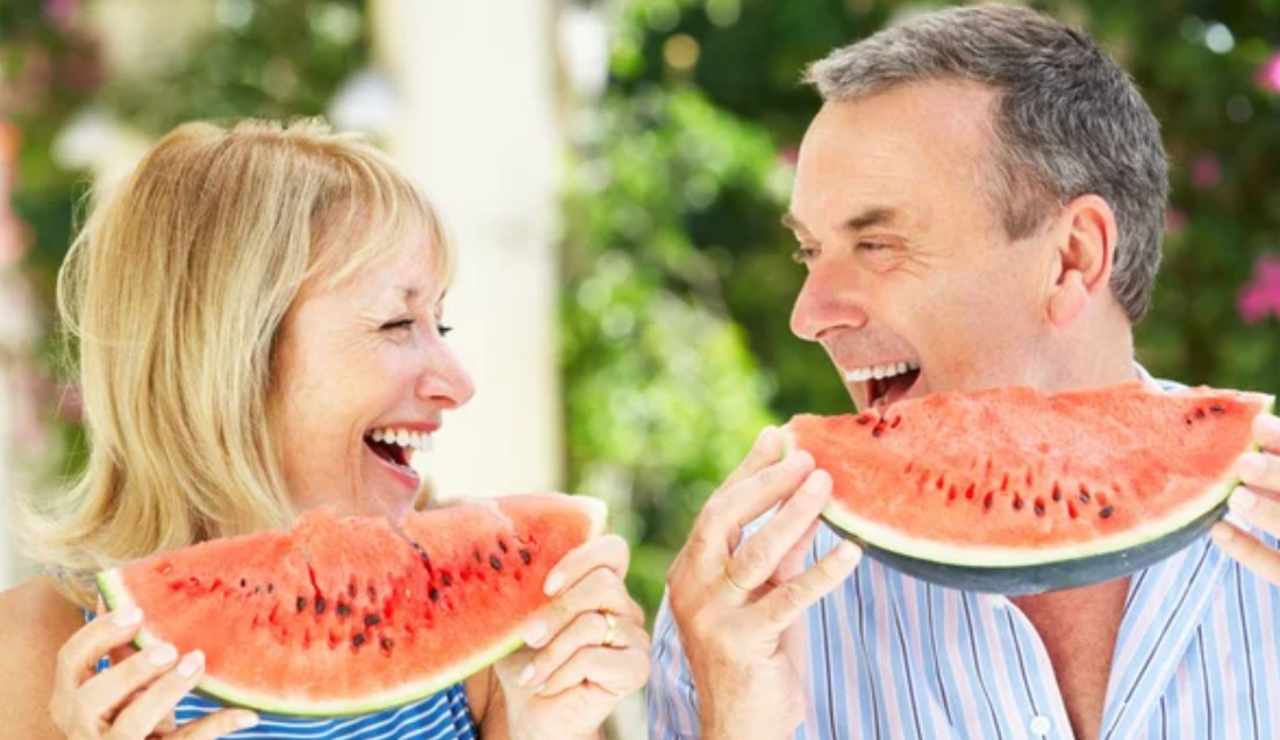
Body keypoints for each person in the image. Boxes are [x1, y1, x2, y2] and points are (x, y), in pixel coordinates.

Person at [649, 5, 1280, 739]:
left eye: (877, 245)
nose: (809, 315)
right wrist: (734, 721)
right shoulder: (740, 607)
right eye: (810, 252)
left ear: (1072, 257)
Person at [0, 119, 650, 739]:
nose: (458, 383)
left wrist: (550, 728)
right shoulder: (36, 650)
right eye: (398, 324)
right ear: (232, 357)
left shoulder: (491, 652)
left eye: (441, 324)